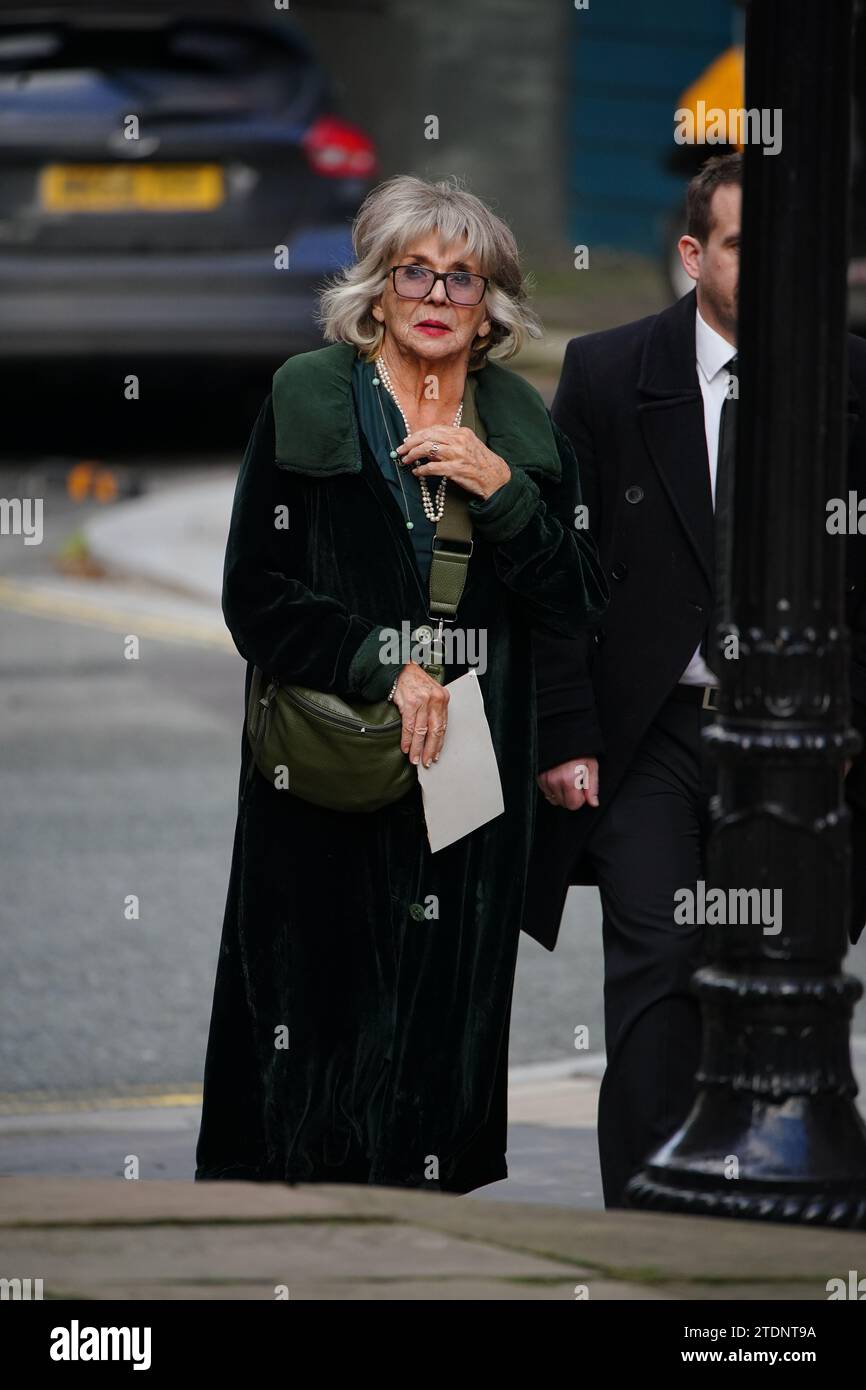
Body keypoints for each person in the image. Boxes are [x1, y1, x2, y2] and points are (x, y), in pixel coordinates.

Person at [195, 175, 607, 1193]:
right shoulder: (305, 396)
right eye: (411, 271)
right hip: (326, 759)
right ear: (375, 292)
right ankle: (290, 1225)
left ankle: (422, 1240)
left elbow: (578, 601)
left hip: (471, 774)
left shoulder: (520, 422)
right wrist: (386, 664)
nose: (434, 294)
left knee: (438, 1017)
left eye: (459, 278)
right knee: (313, 1005)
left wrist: (502, 493)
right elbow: (255, 595)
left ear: (489, 303)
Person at [526, 152, 866, 1208]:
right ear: (690, 254)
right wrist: (560, 733)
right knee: (660, 966)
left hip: (809, 740)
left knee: (790, 974)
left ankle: (786, 1199)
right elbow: (555, 578)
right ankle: (647, 1214)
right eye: (737, 244)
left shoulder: (849, 379)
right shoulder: (604, 374)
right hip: (655, 733)